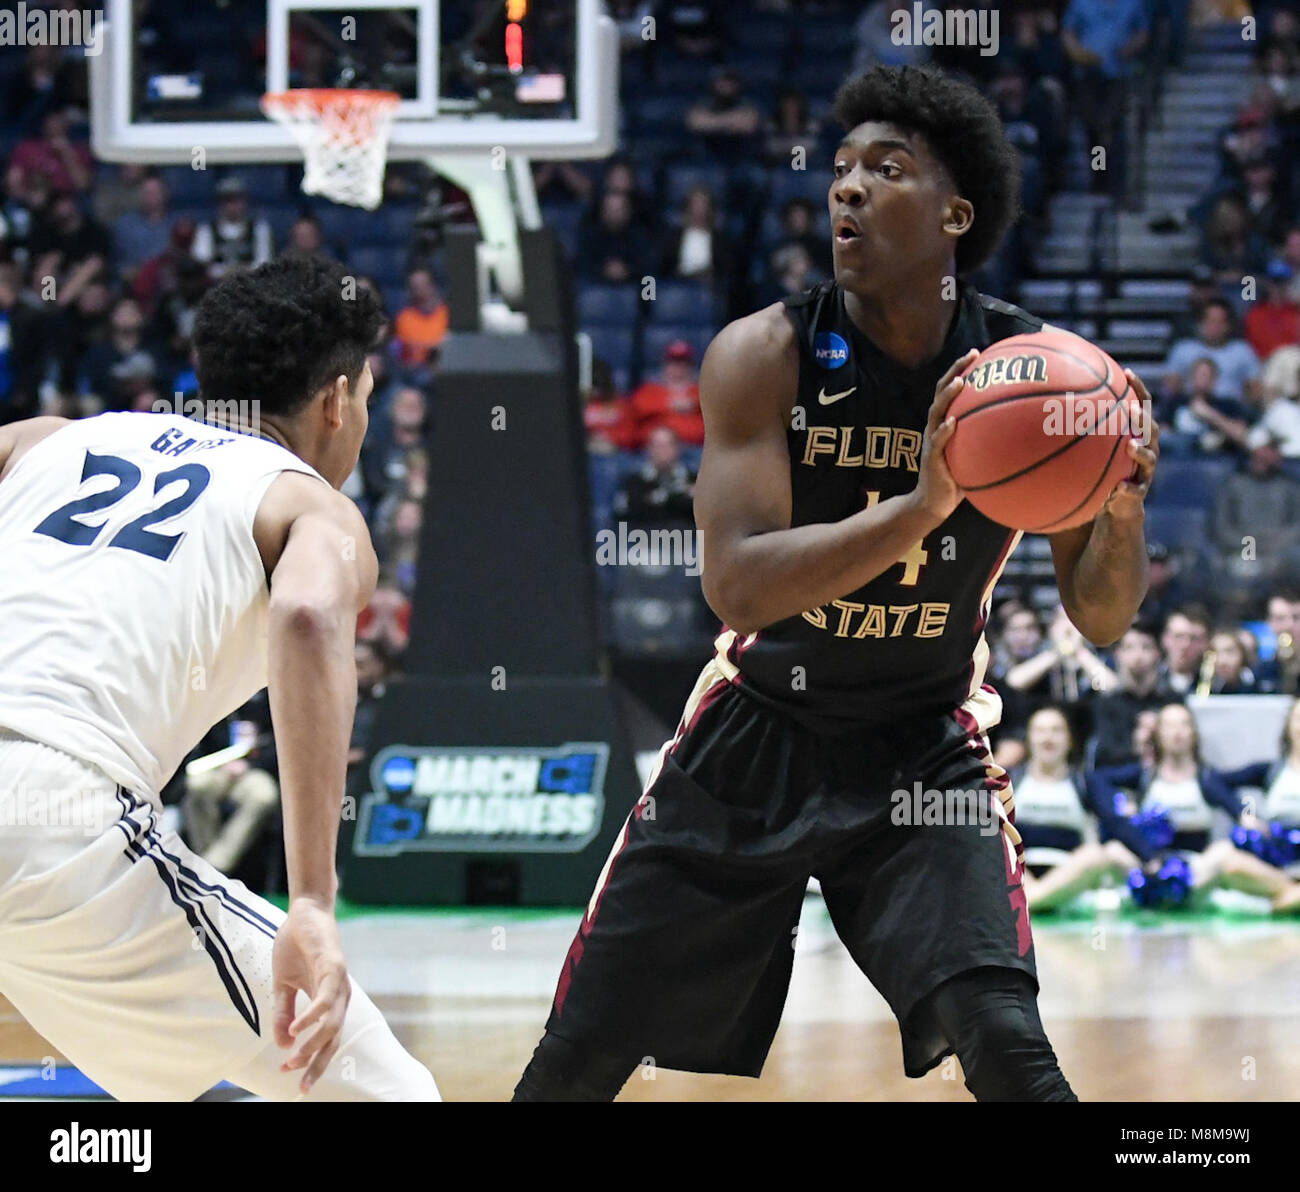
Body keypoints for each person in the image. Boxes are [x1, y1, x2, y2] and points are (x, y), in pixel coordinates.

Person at [513, 65, 1160, 1104]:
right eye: (843, 168)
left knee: (1005, 1039)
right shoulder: (764, 354)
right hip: (754, 735)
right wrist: (921, 505)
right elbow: (737, 587)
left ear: (955, 215)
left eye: (887, 170)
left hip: (923, 743)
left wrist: (1120, 510)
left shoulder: (1031, 374)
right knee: (576, 1061)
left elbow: (1100, 613)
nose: (847, 187)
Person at [0, 254, 438, 1101]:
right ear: (336, 400)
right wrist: (312, 901)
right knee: (387, 1092)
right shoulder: (310, 506)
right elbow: (307, 617)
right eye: (366, 398)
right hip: (56, 817)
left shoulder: (47, 439)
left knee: (169, 1085)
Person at [1088, 704, 1300, 913]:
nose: (1177, 732)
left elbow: (1234, 802)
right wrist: (1119, 806)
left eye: (1184, 725)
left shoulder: (1206, 778)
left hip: (1196, 869)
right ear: (1158, 733)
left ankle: (1289, 890)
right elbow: (1096, 779)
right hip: (1149, 864)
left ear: (1194, 733)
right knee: (1113, 851)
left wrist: (1247, 816)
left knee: (1224, 851)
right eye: (1169, 726)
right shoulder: (1143, 776)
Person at [1011, 707, 1139, 911]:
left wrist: (1151, 859)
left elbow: (1117, 824)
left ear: (1069, 740)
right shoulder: (1009, 780)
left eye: (1056, 730)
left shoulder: (1085, 782)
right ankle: (1037, 898)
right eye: (1040, 731)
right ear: (1029, 739)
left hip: (1071, 872)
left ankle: (1030, 901)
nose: (1048, 738)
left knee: (1097, 853)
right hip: (1021, 871)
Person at [1088, 621, 1175, 767]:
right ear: (1117, 654)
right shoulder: (1106, 703)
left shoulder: (1172, 699)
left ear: (1157, 653)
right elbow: (1106, 753)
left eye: (1146, 647)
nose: (1138, 655)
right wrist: (1136, 745)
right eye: (1129, 648)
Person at [612, 426, 696, 528]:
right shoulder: (634, 481)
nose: (662, 451)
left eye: (667, 445)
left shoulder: (694, 479)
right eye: (657, 446)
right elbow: (624, 514)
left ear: (678, 448)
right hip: (646, 535)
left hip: (686, 534)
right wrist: (679, 497)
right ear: (648, 449)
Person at [191, 176, 273, 279]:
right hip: (217, 285)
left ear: (245, 201)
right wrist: (231, 271)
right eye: (227, 201)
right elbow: (204, 266)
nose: (232, 206)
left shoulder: (259, 228)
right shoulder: (206, 229)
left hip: (253, 284)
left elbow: (263, 263)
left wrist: (240, 271)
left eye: (237, 200)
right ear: (219, 204)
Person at [629, 339, 704, 447]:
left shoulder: (702, 390)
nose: (678, 368)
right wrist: (668, 405)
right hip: (656, 451)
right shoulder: (649, 390)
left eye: (683, 363)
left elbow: (718, 410)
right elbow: (636, 409)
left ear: (691, 365)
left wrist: (695, 404)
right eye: (674, 363)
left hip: (698, 448)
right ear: (665, 364)